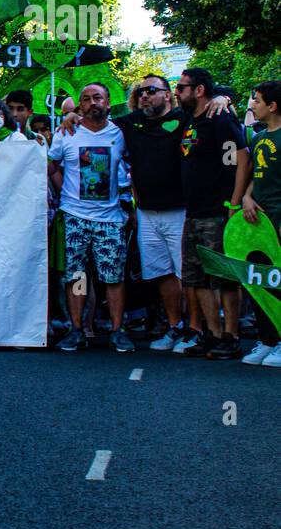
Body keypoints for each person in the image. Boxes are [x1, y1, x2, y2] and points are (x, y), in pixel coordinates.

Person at [59, 75, 233, 351]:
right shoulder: (112, 126)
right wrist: (70, 116)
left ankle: (193, 329)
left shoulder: (169, 121)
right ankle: (82, 328)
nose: (145, 96)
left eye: (152, 90)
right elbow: (53, 165)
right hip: (111, 215)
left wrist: (222, 99)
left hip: (158, 213)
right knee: (93, 276)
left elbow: (208, 114)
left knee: (172, 275)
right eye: (141, 92)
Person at [47, 83, 134, 353]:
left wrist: (129, 205)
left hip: (110, 218)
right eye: (86, 99)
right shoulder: (67, 132)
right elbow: (51, 165)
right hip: (75, 217)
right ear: (79, 106)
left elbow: (135, 167)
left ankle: (118, 331)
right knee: (76, 276)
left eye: (98, 97)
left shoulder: (121, 133)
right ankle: (76, 330)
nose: (92, 102)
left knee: (113, 277)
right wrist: (64, 193)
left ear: (108, 102)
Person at [174, 68, 250, 359]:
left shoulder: (221, 118)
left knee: (224, 276)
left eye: (181, 87)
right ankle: (213, 333)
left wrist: (234, 203)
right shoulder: (189, 120)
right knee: (197, 278)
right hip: (193, 213)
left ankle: (231, 336)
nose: (176, 92)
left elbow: (241, 158)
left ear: (200, 90)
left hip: (218, 212)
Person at [240, 79, 281, 366]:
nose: (252, 104)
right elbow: (257, 175)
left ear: (272, 105)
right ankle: (268, 340)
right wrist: (246, 197)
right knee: (259, 280)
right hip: (259, 221)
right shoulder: (257, 137)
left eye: (256, 100)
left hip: (278, 219)